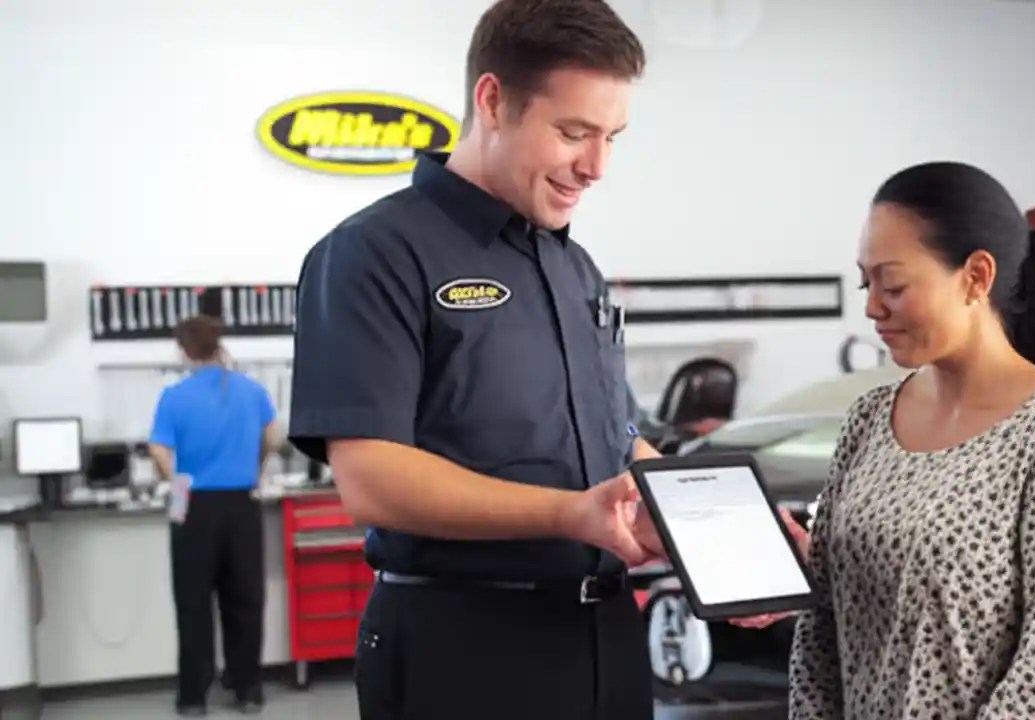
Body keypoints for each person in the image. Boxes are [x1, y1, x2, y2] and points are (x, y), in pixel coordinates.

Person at [286, 2, 662, 718]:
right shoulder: (373, 254)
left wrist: (717, 529)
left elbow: (619, 441)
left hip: (605, 639)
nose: (597, 166)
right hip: (460, 649)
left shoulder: (575, 267)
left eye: (612, 137)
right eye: (573, 132)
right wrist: (571, 514)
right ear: (492, 101)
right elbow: (372, 479)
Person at [777, 163, 1035, 719]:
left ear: (976, 277)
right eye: (867, 284)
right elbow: (822, 632)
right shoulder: (868, 419)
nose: (871, 307)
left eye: (894, 285)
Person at [147, 316, 281, 716]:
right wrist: (254, 470)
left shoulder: (174, 395)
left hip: (190, 501)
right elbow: (273, 437)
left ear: (184, 350)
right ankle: (248, 689)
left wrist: (177, 483)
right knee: (244, 598)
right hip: (242, 500)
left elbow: (157, 450)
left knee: (192, 602)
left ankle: (193, 697)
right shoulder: (251, 390)